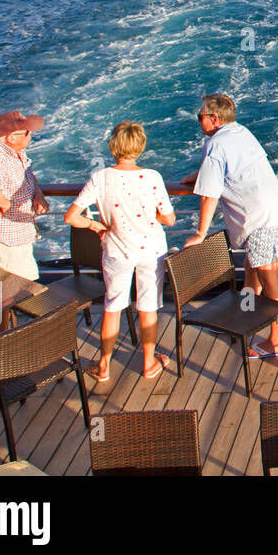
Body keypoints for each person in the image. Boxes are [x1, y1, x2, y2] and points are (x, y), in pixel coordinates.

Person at [182, 93, 278, 358]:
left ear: (214, 118)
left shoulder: (216, 145)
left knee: (270, 282)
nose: (198, 121)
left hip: (259, 221)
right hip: (273, 211)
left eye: (200, 116)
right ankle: (245, 316)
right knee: (252, 269)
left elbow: (209, 195)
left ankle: (277, 341)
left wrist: (200, 233)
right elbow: (225, 168)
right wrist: (196, 176)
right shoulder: (241, 132)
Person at [64, 121, 175, 381]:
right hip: (151, 250)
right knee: (148, 307)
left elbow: (71, 217)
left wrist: (95, 225)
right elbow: (169, 219)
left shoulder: (100, 178)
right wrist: (152, 215)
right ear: (141, 146)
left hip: (117, 250)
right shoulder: (152, 177)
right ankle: (149, 363)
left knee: (113, 307)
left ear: (113, 146)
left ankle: (103, 366)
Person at [0, 110, 49, 339]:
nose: (31, 135)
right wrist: (8, 206)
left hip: (16, 234)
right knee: (7, 293)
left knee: (19, 287)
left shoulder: (15, 152)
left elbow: (28, 175)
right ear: (10, 137)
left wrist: (38, 194)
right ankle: (0, 338)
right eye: (27, 132)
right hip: (4, 236)